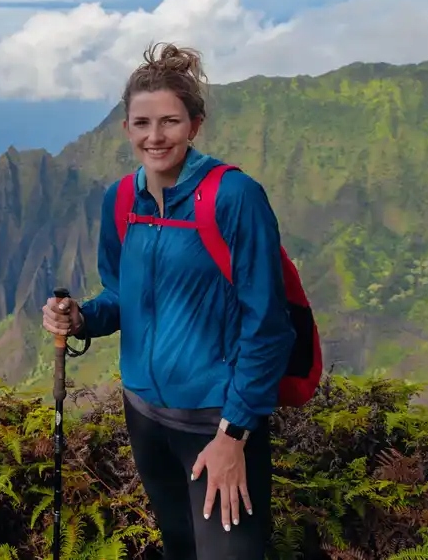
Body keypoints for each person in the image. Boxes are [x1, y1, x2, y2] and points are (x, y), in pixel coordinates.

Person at [42, 42, 296, 560]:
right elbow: (122, 296)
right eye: (141, 123)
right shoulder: (120, 199)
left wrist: (233, 436)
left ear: (194, 125)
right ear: (126, 129)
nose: (154, 137)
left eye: (169, 122)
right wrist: (82, 318)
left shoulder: (233, 197)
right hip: (145, 417)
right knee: (179, 550)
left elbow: (268, 325)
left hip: (214, 422)